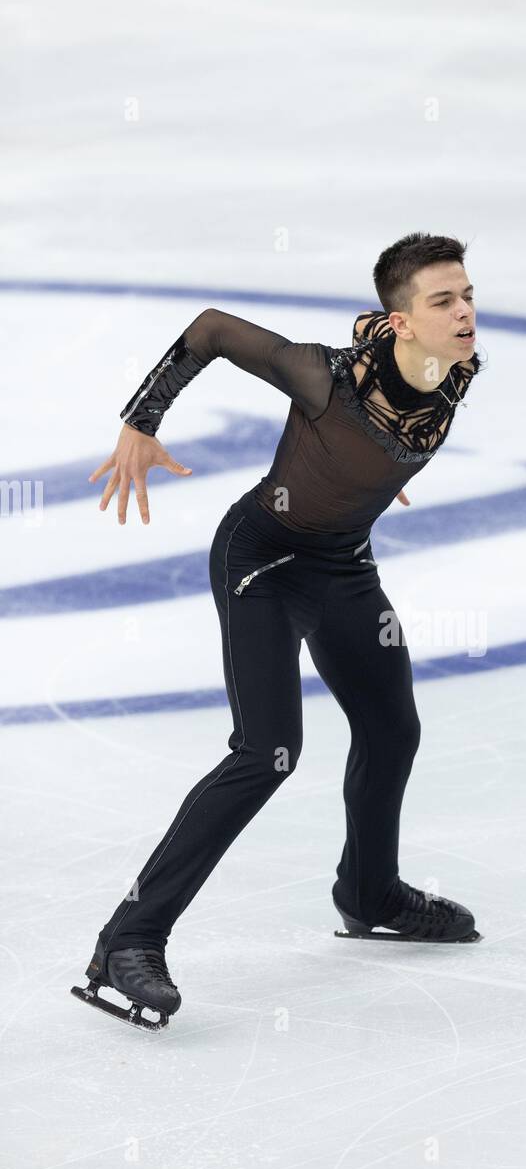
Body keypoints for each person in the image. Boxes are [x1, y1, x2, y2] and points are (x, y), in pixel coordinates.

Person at [70, 232, 485, 1031]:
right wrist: (141, 420)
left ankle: (371, 892)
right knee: (267, 753)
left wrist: (361, 480)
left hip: (343, 563)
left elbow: (389, 432)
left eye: (467, 295)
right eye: (443, 301)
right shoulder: (323, 376)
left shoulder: (461, 366)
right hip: (263, 559)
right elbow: (213, 328)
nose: (464, 312)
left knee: (392, 727)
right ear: (403, 322)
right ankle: (129, 937)